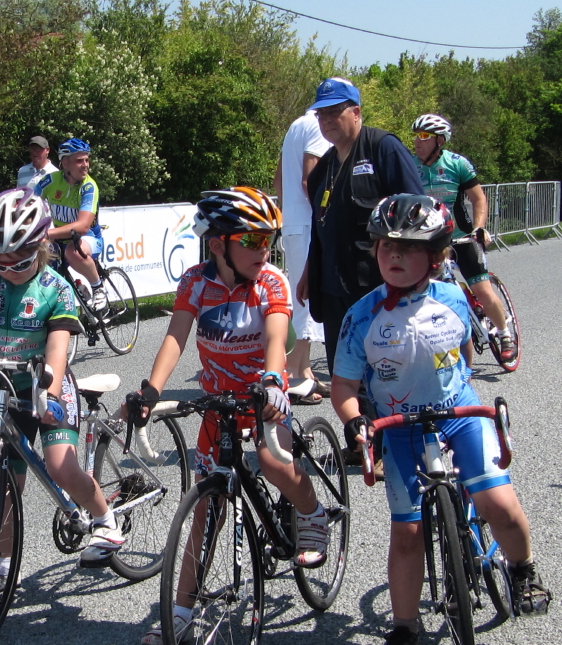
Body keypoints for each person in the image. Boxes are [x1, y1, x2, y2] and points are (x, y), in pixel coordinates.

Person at [331, 194, 551, 645]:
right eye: (386, 245)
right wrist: (355, 420)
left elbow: (463, 358)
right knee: (408, 533)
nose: (393, 254)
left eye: (409, 247)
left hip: (459, 415)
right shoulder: (360, 316)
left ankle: (523, 570)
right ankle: (405, 626)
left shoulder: (453, 297)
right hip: (400, 429)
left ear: (434, 259)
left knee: (500, 507)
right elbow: (344, 388)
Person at [131, 187, 331, 645]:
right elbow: (176, 337)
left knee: (274, 460)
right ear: (219, 243)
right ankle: (179, 617)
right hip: (219, 404)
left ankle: (312, 514)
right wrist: (151, 389)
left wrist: (276, 381)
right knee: (205, 510)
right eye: (254, 241)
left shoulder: (271, 282)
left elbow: (275, 340)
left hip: (262, 396)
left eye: (269, 240)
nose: (266, 250)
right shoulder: (196, 283)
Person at [0, 187, 124, 603]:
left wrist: (48, 393)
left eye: (17, 260)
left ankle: (105, 518)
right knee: (5, 482)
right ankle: (0, 566)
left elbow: (57, 350)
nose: (6, 268)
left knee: (61, 467)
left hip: (48, 389)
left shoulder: (56, 288)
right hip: (6, 395)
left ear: (42, 245)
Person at [297, 77, 426, 376]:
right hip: (332, 290)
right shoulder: (324, 168)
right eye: (321, 114)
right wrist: (308, 272)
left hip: (376, 289)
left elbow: (418, 213)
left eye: (334, 111)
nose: (327, 120)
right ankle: (356, 425)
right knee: (344, 375)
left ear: (355, 112)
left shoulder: (383, 148)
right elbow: (321, 228)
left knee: (386, 374)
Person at [411, 114, 518, 363]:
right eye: (416, 135)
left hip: (461, 237)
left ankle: (504, 334)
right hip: (430, 241)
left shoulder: (457, 164)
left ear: (440, 140)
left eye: (424, 136)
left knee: (481, 289)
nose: (418, 141)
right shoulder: (409, 164)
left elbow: (479, 199)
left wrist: (479, 229)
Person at [272, 110, 331, 404]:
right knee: (306, 296)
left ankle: (302, 368)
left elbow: (278, 180)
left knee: (302, 295)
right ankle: (295, 373)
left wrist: (290, 213)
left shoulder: (295, 125)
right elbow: (311, 178)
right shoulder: (318, 126)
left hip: (295, 222)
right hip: (309, 222)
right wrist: (324, 217)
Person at [34, 137, 108, 311]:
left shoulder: (88, 186)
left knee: (72, 251)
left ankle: (98, 288)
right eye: (79, 161)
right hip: (60, 237)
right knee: (40, 257)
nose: (85, 165)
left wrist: (47, 234)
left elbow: (83, 226)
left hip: (88, 237)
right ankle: (74, 286)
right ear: (65, 163)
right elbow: (28, 202)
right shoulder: (51, 181)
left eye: (87, 160)